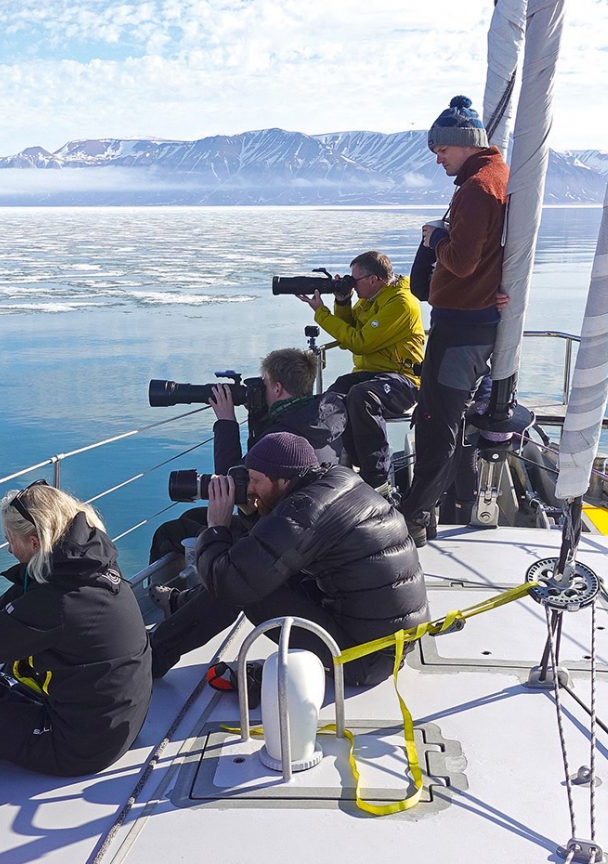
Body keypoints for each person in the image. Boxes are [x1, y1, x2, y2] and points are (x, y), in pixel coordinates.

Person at [149, 432, 429, 688]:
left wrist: (215, 528)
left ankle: (150, 659)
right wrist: (249, 511)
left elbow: (232, 583)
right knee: (251, 562)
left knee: (244, 582)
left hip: (362, 659)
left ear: (284, 481)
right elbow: (274, 542)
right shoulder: (334, 479)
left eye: (255, 480)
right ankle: (178, 611)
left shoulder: (306, 510)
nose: (250, 487)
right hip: (387, 640)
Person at [0, 481, 152, 776]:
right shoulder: (88, 565)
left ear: (34, 542)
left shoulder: (59, 601)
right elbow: (12, 608)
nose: (8, 549)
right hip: (119, 723)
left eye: (10, 540)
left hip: (80, 747)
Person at [397, 95, 510, 547]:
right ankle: (426, 512)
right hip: (470, 320)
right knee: (440, 418)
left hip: (462, 327)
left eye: (441, 150)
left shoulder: (477, 188)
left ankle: (413, 517)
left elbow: (461, 263)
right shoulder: (493, 178)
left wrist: (438, 239)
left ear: (464, 144)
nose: (438, 158)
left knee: (435, 419)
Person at [147, 347, 344, 563]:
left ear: (277, 388)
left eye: (265, 383)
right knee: (192, 518)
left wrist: (226, 422)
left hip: (277, 534)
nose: (260, 389)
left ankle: (182, 593)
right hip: (305, 525)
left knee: (171, 531)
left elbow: (231, 484)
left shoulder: (282, 435)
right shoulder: (322, 419)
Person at [298, 250, 424, 492]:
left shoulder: (400, 303)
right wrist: (343, 302)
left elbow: (359, 342)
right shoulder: (371, 298)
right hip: (373, 374)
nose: (352, 285)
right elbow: (349, 333)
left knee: (362, 396)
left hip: (404, 380)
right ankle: (346, 464)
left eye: (354, 281)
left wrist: (321, 313)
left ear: (373, 279)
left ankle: (377, 480)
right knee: (333, 397)